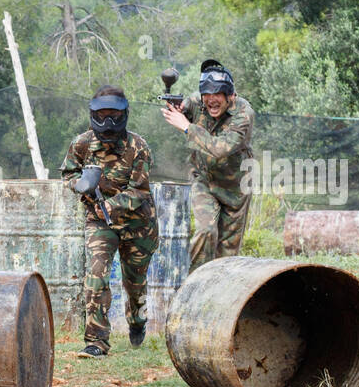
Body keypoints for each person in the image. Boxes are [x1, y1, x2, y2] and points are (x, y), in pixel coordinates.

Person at [60, 85, 158, 358]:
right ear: (92, 115)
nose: (108, 123)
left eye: (114, 115)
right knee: (97, 273)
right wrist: (79, 185)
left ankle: (137, 322)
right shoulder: (82, 143)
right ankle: (96, 341)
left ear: (124, 114)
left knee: (135, 284)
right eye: (102, 115)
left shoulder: (138, 147)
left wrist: (109, 204)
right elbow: (67, 173)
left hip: (139, 225)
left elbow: (139, 190)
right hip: (100, 224)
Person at [160, 59, 255, 273]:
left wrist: (186, 126)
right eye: (207, 96)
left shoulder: (243, 114)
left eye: (217, 96)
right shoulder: (199, 101)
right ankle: (193, 286)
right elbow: (188, 104)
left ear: (230, 95)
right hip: (204, 179)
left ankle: (219, 298)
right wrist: (180, 108)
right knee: (205, 231)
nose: (211, 101)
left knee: (227, 257)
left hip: (236, 190)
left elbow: (220, 148)